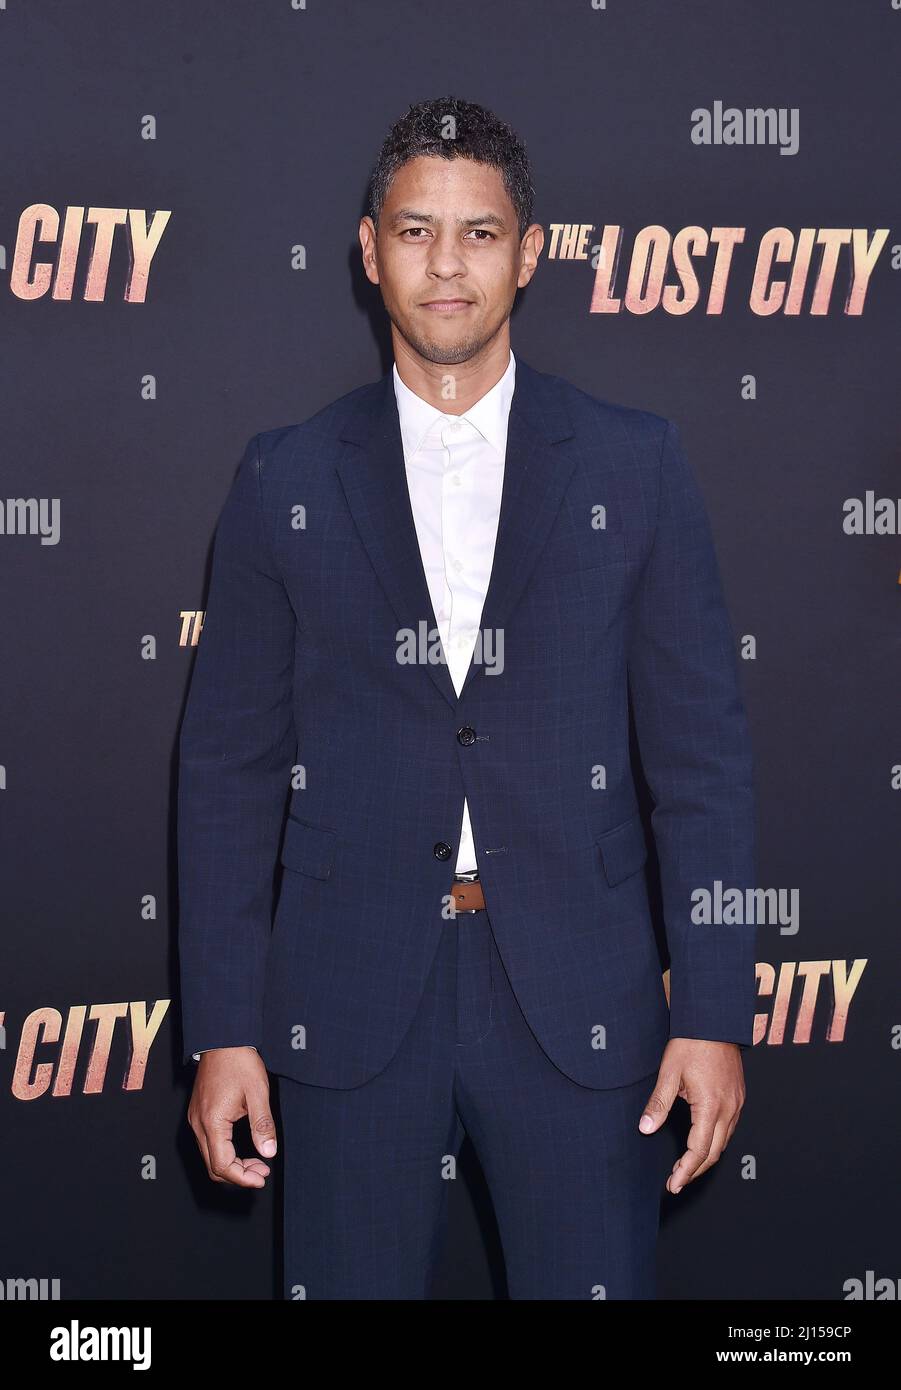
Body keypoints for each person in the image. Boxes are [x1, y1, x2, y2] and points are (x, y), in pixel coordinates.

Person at [178, 95, 757, 1300]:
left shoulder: (632, 464)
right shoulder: (283, 475)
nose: (446, 264)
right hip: (348, 998)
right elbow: (228, 769)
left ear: (529, 251)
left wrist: (712, 1011)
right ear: (367, 246)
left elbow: (702, 763)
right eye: (416, 230)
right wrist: (222, 1028)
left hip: (579, 996)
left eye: (480, 233)